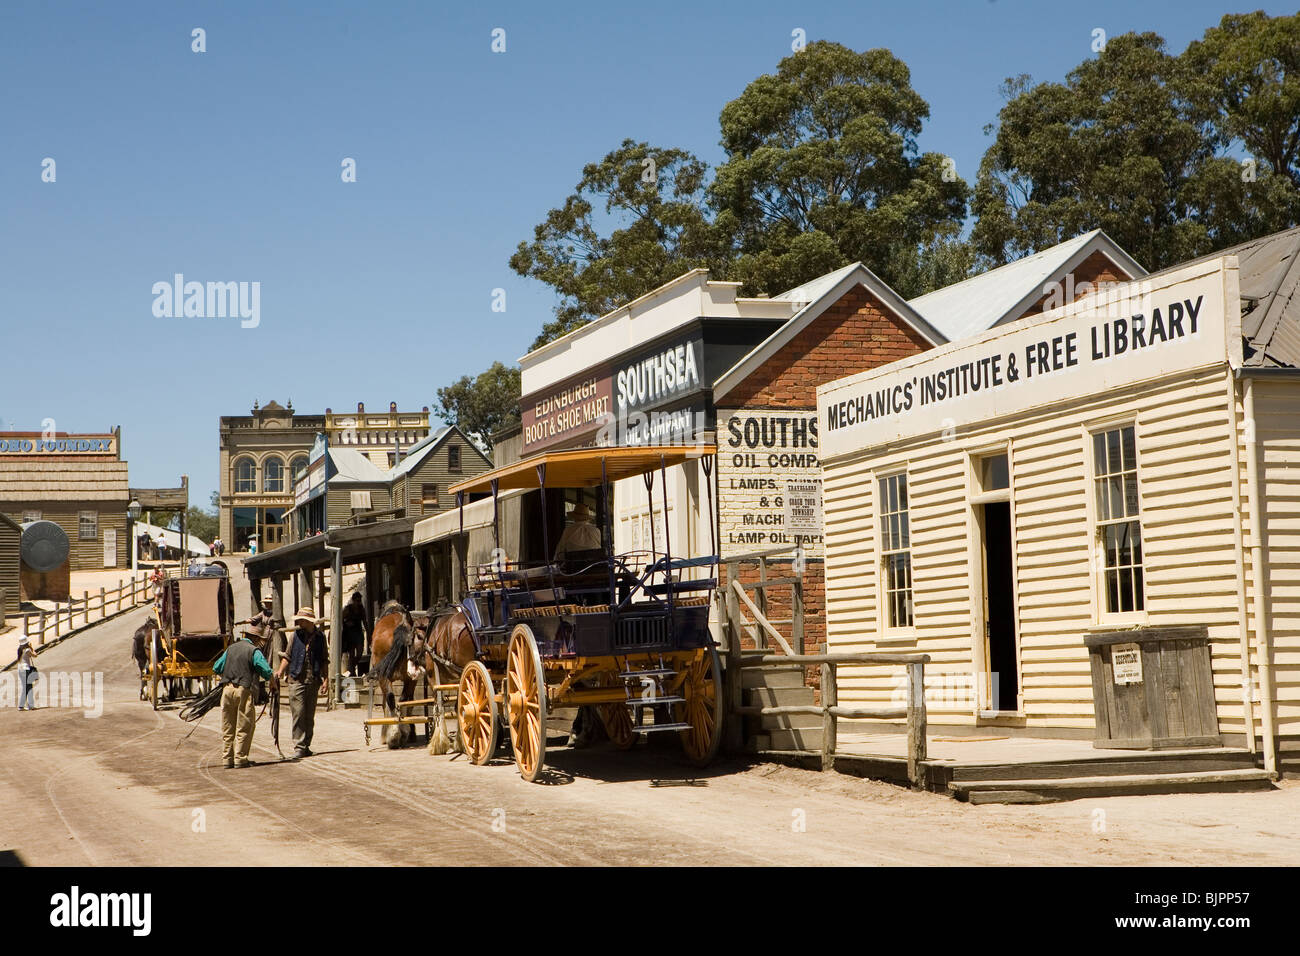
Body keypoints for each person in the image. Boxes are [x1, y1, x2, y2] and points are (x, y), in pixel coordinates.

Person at [213, 628, 276, 768]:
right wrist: (272, 681)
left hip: (227, 690)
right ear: (255, 639)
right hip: (243, 690)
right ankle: (240, 758)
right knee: (245, 725)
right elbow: (265, 669)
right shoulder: (253, 650)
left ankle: (227, 759)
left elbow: (216, 667)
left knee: (227, 725)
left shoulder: (230, 649)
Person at [276, 607, 327, 758]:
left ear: (308, 621)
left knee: (309, 716)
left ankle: (306, 746)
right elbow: (288, 656)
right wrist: (280, 671)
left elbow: (324, 660)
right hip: (296, 679)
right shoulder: (295, 636)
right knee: (298, 713)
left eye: (301, 620)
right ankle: (299, 746)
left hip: (313, 680)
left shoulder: (320, 637)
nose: (298, 622)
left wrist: (325, 681)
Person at [340, 592, 369, 676]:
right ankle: (352, 672)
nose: (358, 602)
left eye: (359, 600)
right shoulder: (348, 609)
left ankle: (351, 666)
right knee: (351, 654)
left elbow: (365, 621)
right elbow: (341, 619)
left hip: (359, 633)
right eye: (356, 600)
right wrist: (347, 623)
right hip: (349, 634)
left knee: (360, 653)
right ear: (353, 600)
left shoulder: (361, 609)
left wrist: (368, 633)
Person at [15, 636, 38, 711]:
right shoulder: (27, 650)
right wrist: (32, 648)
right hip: (26, 670)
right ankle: (30, 705)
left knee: (25, 687)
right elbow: (35, 655)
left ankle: (21, 706)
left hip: (20, 669)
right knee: (29, 687)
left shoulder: (19, 649)